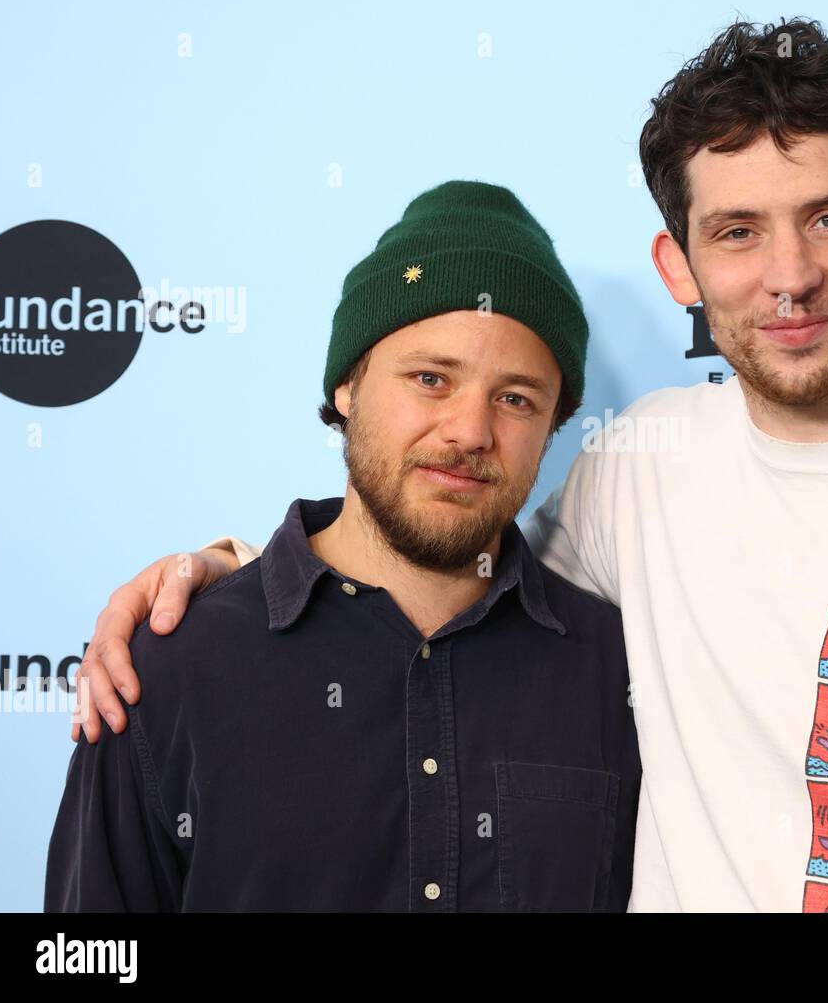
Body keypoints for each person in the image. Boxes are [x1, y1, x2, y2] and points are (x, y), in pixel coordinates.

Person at [70, 19, 828, 913]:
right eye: (736, 231)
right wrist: (220, 574)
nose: (787, 274)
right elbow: (428, 552)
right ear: (679, 266)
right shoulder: (640, 472)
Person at [45, 180, 641, 912]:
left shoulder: (620, 668)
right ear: (349, 385)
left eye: (516, 397)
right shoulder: (172, 665)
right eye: (430, 378)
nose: (469, 430)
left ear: (553, 425)